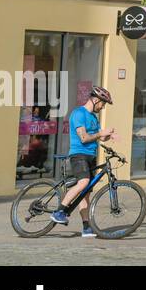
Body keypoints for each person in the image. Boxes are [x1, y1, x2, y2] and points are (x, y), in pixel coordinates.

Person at [51, 86, 115, 237]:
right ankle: (59, 211)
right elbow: (84, 138)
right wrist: (101, 133)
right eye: (103, 103)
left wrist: (109, 135)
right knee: (83, 182)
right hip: (78, 154)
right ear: (96, 100)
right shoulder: (78, 113)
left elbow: (99, 137)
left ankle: (86, 227)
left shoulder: (94, 117)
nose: (103, 107)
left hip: (91, 156)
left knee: (85, 193)